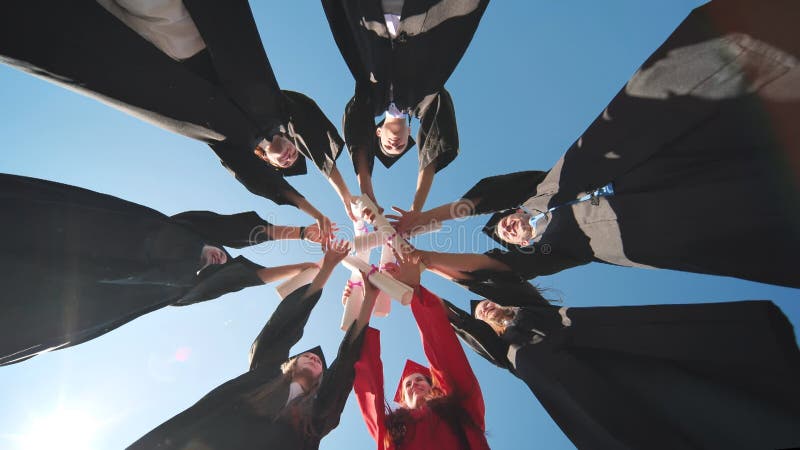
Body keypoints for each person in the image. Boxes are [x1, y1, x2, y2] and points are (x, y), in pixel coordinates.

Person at [392, 0, 800, 288]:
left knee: (720, 86)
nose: (510, 228)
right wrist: (427, 261)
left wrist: (423, 217)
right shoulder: (557, 250)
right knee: (756, 202)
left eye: (506, 222)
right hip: (663, 221)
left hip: (635, 146)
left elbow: (476, 203)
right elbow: (496, 267)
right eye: (510, 236)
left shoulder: (538, 189)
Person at [0, 0, 353, 234]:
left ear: (264, 161)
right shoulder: (276, 106)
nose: (290, 157)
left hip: (154, 60)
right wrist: (347, 197)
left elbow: (266, 185)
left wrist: (313, 217)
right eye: (295, 152)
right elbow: (309, 126)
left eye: (284, 164)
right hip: (186, 25)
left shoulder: (231, 142)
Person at [0, 173, 327, 366]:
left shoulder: (179, 288)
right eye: (222, 253)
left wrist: (304, 265)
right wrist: (298, 233)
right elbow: (237, 229)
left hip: (78, 286)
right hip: (88, 233)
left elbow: (239, 277)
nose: (220, 257)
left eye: (222, 261)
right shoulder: (183, 228)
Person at [441, 277, 800, 449]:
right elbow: (461, 324)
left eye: (486, 301)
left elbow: (492, 272)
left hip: (650, 371)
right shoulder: (510, 354)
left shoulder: (536, 309)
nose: (484, 307)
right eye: (481, 312)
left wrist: (431, 263)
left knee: (739, 419)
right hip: (613, 407)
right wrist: (412, 286)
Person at [128, 240, 378, 449]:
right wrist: (328, 268)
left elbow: (346, 364)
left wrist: (368, 300)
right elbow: (283, 325)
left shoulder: (317, 413)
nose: (315, 358)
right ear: (288, 362)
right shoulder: (265, 374)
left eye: (320, 364)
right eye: (309, 356)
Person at [321, 0, 490, 215]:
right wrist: (416, 208)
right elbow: (435, 141)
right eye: (400, 148)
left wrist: (365, 189)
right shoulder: (424, 99)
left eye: (387, 147)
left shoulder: (370, 97)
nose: (394, 145)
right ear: (410, 132)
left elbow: (357, 126)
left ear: (378, 131)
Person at [353, 251, 490, 450]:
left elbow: (445, 355)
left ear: (434, 388)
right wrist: (363, 307)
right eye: (408, 384)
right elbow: (368, 389)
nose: (414, 383)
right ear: (403, 400)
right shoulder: (391, 431)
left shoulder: (459, 407)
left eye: (419, 380)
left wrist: (415, 292)